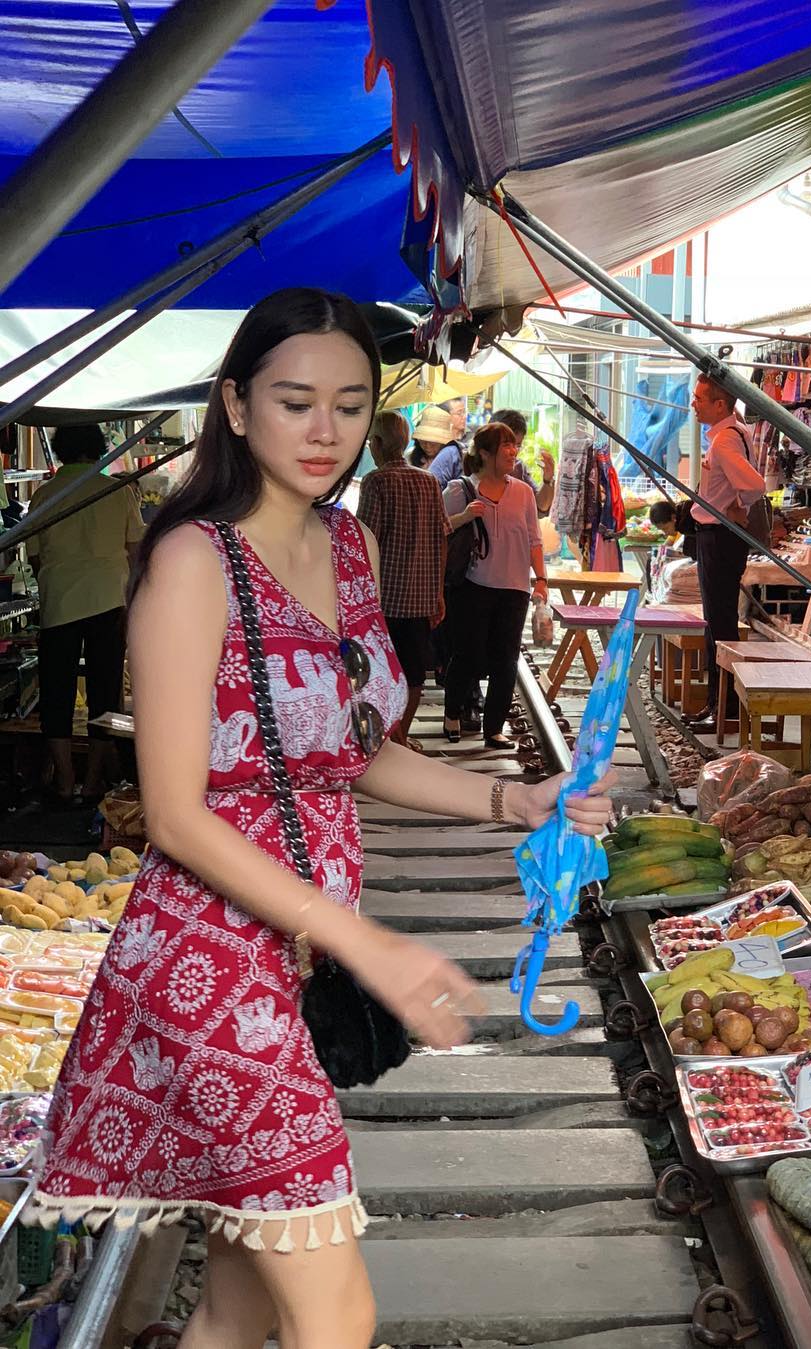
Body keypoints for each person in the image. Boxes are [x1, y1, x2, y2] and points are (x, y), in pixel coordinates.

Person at [27, 289, 612, 1348]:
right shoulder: (192, 559)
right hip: (208, 963)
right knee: (336, 1313)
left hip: (294, 953)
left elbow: (356, 750)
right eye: (295, 400)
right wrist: (367, 941)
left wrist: (510, 796)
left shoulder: (351, 549)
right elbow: (173, 812)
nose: (325, 430)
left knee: (240, 1301)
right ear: (236, 405)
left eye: (347, 404)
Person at [26, 422, 145, 805]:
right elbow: (134, 549)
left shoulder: (44, 494)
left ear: (60, 451)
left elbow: (36, 556)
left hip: (60, 601)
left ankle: (64, 782)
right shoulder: (117, 490)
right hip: (109, 599)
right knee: (105, 690)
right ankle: (94, 782)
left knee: (57, 692)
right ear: (98, 449)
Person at [442, 422, 548, 748]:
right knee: (468, 654)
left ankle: (494, 729)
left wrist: (541, 580)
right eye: (506, 446)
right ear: (486, 453)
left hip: (514, 588)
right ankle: (452, 714)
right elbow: (438, 531)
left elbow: (534, 540)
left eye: (514, 446)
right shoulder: (460, 490)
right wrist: (465, 517)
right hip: (474, 585)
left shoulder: (524, 492)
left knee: (506, 660)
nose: (513, 452)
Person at [356, 409, 449, 750]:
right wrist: (438, 592)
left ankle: (385, 739)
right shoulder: (428, 481)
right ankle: (402, 736)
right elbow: (442, 538)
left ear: (377, 444)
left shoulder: (376, 482)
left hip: (383, 599)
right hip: (421, 597)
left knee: (378, 669)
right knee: (412, 671)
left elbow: (365, 540)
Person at [683, 375, 765, 726]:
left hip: (719, 536)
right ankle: (717, 701)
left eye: (701, 398)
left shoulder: (725, 442)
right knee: (716, 621)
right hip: (717, 536)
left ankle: (724, 706)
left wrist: (740, 505)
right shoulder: (734, 432)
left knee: (721, 623)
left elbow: (755, 484)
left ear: (720, 405)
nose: (693, 404)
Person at [490, 407, 556, 518]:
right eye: (507, 444)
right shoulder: (470, 468)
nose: (514, 451)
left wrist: (547, 480)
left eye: (518, 445)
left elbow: (540, 508)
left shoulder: (518, 468)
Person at [407, 405, 455, 470]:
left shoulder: (453, 458)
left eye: (433, 443)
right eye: (423, 442)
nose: (427, 446)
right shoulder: (409, 457)